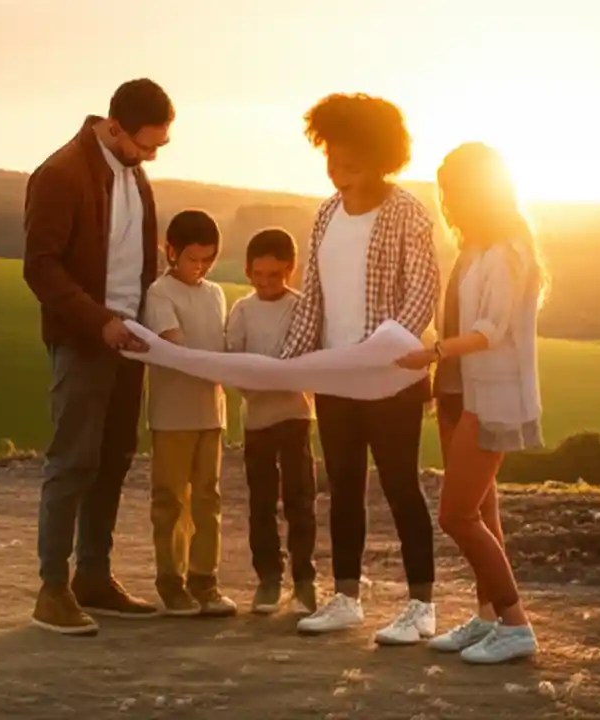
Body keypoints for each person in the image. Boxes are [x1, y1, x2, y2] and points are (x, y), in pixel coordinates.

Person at [280, 93, 441, 645]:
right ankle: (345, 597)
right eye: (330, 157)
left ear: (380, 157)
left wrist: (382, 352)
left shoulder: (408, 212)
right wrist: (288, 366)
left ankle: (422, 606)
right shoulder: (325, 212)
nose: (337, 169)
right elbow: (312, 302)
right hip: (336, 376)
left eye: (349, 160)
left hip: (391, 377)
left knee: (400, 486)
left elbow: (423, 292)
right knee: (343, 486)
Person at [23, 78, 172, 635]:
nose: (151, 155)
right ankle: (52, 590)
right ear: (113, 127)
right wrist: (100, 322)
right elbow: (39, 266)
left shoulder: (134, 173)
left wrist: (141, 326)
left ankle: (93, 577)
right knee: (72, 462)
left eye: (159, 147)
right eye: (146, 145)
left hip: (130, 340)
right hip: (85, 340)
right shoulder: (60, 174)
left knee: (114, 459)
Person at [396, 141, 546, 663]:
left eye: (457, 192)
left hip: (491, 398)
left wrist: (430, 352)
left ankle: (516, 624)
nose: (449, 203)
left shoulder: (507, 254)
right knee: (483, 512)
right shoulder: (474, 250)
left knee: (455, 516)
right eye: (445, 193)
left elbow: (490, 330)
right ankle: (487, 619)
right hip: (457, 393)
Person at [142, 209, 237, 617]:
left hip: (211, 413)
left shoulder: (215, 293)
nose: (200, 268)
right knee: (170, 500)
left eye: (208, 260)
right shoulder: (160, 294)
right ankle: (171, 580)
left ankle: (205, 579)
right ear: (171, 251)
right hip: (172, 414)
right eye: (193, 259)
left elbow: (224, 346)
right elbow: (176, 348)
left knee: (208, 499)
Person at [225, 228, 318, 616]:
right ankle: (268, 579)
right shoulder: (242, 310)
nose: (265, 284)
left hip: (295, 416)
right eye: (258, 276)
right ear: (248, 271)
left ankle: (304, 579)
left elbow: (310, 354)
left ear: (290, 271)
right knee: (261, 501)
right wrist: (254, 382)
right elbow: (233, 357)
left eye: (274, 276)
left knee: (299, 498)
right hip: (257, 420)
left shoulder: (301, 307)